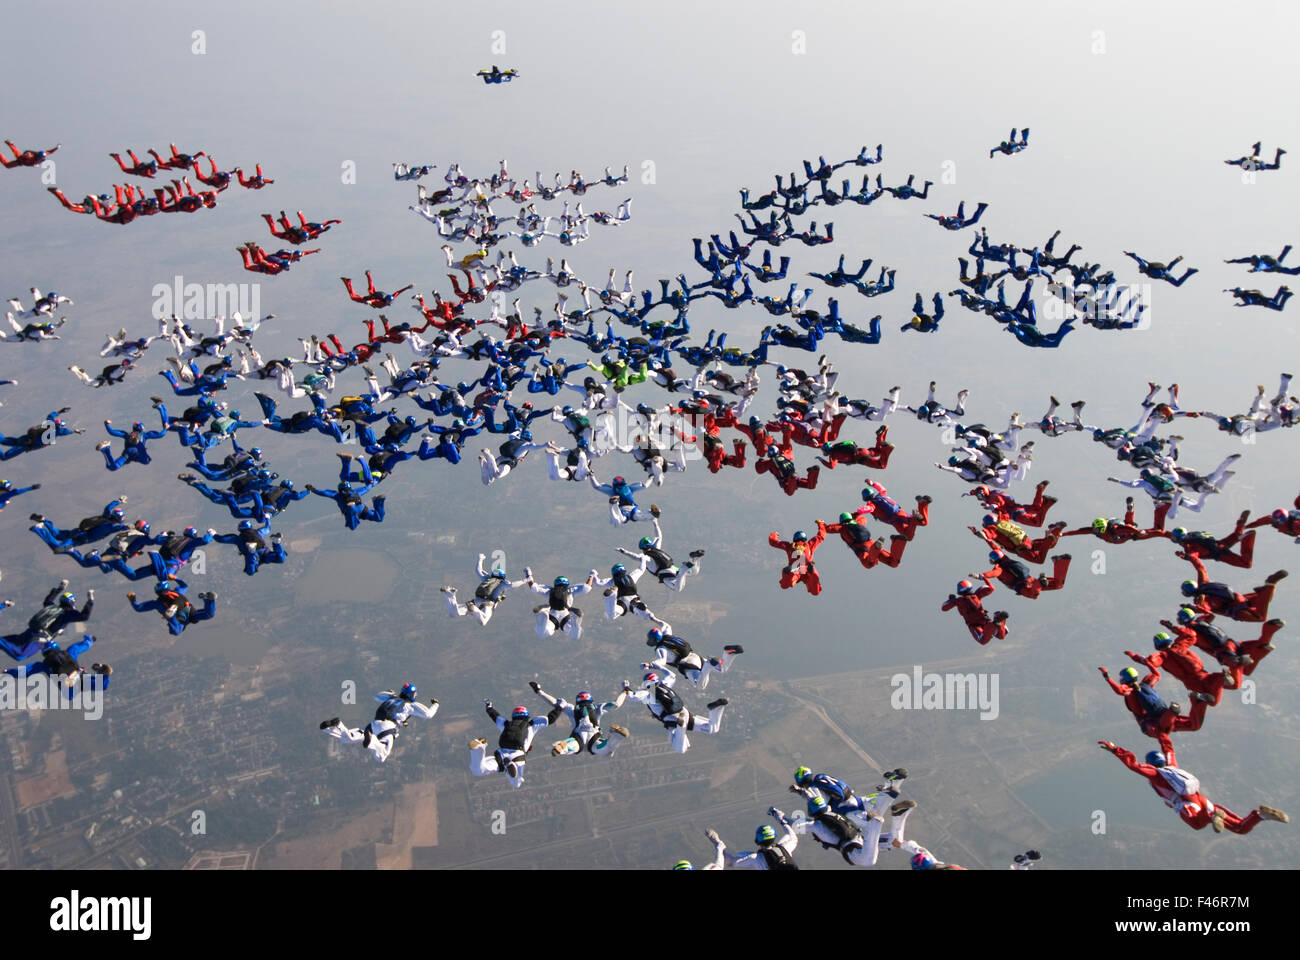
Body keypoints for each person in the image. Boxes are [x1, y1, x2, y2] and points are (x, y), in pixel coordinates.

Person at [1098, 741, 1288, 834]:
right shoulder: (1173, 767)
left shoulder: (1156, 775)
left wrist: (1116, 750)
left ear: (1152, 764)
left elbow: (1134, 766)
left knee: (1197, 825)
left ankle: (1214, 816)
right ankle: (1261, 814)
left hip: (1189, 806)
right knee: (1240, 828)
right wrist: (1163, 730)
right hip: (1202, 800)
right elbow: (1169, 749)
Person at [320, 683, 439, 764]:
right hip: (388, 728)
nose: (416, 696)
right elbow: (428, 714)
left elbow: (377, 697)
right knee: (381, 757)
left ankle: (338, 725)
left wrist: (389, 693)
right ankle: (371, 740)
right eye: (414, 694)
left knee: (347, 739)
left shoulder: (390, 699)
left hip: (374, 724)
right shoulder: (410, 706)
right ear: (410, 695)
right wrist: (435, 704)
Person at [622, 672, 727, 754]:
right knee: (712, 729)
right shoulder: (664, 685)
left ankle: (681, 726)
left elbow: (631, 696)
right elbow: (672, 675)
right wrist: (656, 666)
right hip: (684, 712)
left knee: (680, 750)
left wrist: (625, 687)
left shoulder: (646, 693)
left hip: (672, 720)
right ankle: (716, 709)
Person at [469, 700, 562, 789]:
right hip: (518, 755)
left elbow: (495, 716)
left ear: (513, 716)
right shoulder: (532, 725)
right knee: (516, 783)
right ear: (526, 716)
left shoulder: (506, 724)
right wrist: (559, 707)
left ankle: (479, 748)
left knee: (478, 770)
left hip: (501, 753)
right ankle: (511, 766)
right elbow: (550, 718)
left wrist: (489, 707)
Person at [528, 681, 630, 757]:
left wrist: (539, 692)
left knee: (568, 746)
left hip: (579, 737)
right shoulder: (597, 708)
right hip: (592, 737)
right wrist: (625, 692)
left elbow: (555, 703)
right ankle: (615, 736)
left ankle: (561, 747)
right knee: (606, 749)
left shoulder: (573, 709)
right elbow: (616, 704)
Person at [615, 517, 705, 591]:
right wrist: (655, 523)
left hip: (666, 575)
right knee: (694, 572)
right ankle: (694, 558)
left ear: (642, 548)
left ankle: (683, 569)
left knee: (678, 588)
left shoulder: (646, 557)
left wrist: (624, 552)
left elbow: (636, 557)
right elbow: (659, 536)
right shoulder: (656, 549)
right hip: (674, 568)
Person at [441, 554, 528, 625]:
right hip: (487, 604)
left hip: (475, 601)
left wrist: (480, 559)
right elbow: (513, 585)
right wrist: (526, 580)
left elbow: (478, 570)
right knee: (483, 621)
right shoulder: (503, 583)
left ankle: (449, 594)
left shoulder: (487, 578)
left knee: (453, 612)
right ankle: (474, 610)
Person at [643, 627, 742, 690]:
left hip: (688, 665)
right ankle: (727, 653)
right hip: (695, 657)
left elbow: (662, 661)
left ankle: (708, 666)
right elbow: (666, 625)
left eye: (650, 639)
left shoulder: (660, 649)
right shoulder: (667, 636)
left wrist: (650, 665)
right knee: (722, 668)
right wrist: (654, 618)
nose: (649, 641)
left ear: (655, 639)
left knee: (700, 686)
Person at [524, 570, 593, 639]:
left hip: (552, 615)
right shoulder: (571, 590)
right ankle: (575, 619)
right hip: (566, 615)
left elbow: (534, 587)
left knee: (542, 633)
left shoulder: (550, 590)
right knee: (575, 635)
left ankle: (543, 613)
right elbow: (587, 588)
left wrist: (528, 574)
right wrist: (592, 575)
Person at [941, 577, 1008, 645]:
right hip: (985, 621)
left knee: (982, 640)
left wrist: (951, 599)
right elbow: (991, 588)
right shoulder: (976, 595)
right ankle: (998, 620)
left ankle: (995, 623)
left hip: (975, 626)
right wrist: (984, 578)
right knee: (1001, 636)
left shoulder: (958, 601)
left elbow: (944, 608)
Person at [768, 525, 827, 595]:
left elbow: (820, 537)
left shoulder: (809, 545)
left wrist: (821, 525)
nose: (800, 543)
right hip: (796, 571)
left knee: (815, 590)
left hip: (806, 572)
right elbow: (775, 542)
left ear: (805, 541)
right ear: (794, 541)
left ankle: (812, 582)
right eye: (798, 540)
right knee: (785, 584)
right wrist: (773, 535)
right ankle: (789, 575)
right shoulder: (789, 547)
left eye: (802, 540)